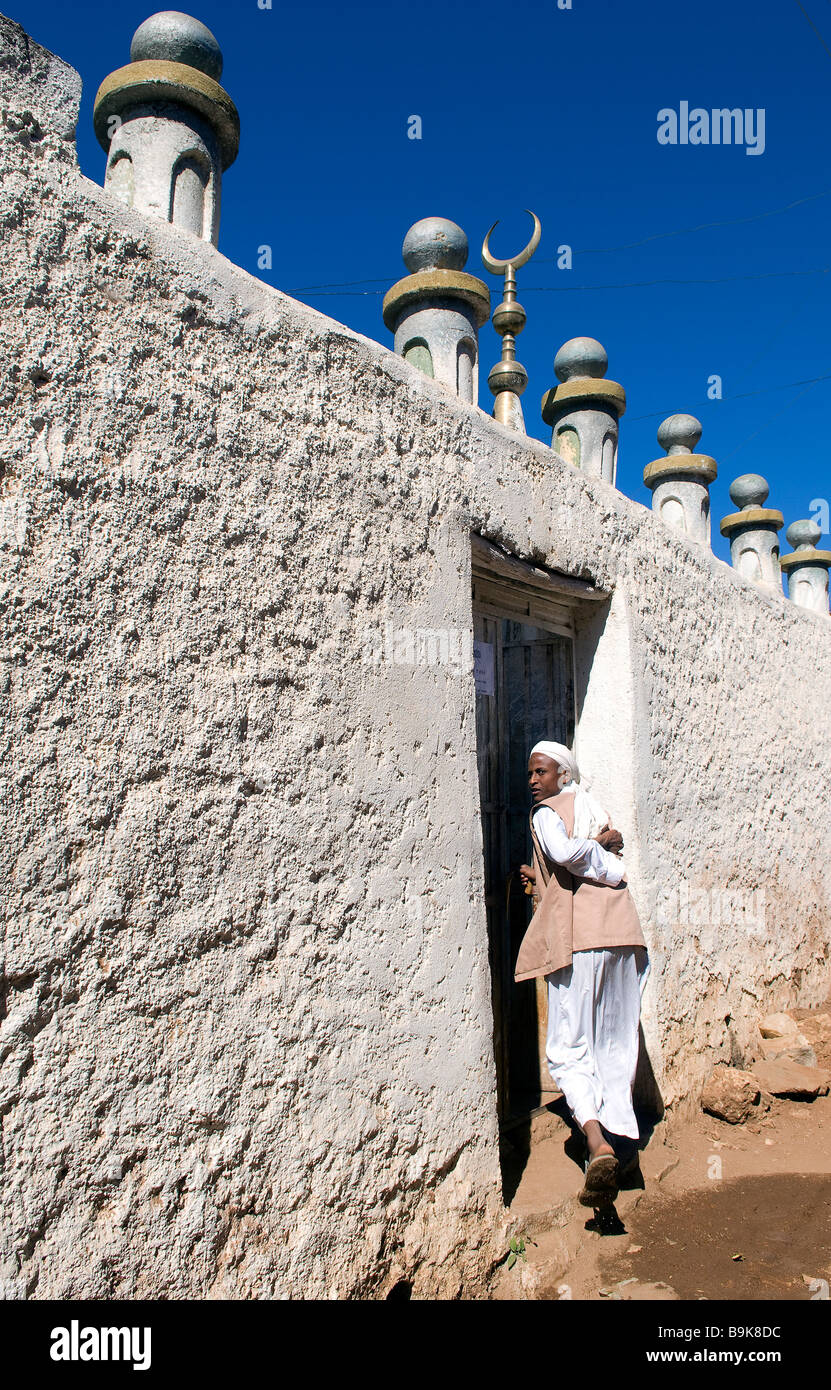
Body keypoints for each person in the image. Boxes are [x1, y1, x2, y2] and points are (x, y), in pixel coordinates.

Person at [515, 740, 649, 1208]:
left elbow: (570, 854)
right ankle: (623, 1144)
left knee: (568, 1046)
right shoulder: (593, 807)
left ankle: (596, 1142)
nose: (533, 781)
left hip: (580, 939)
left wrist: (607, 862)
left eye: (541, 772)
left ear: (563, 775)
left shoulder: (547, 814)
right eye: (530, 773)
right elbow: (585, 853)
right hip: (620, 932)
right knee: (613, 1040)